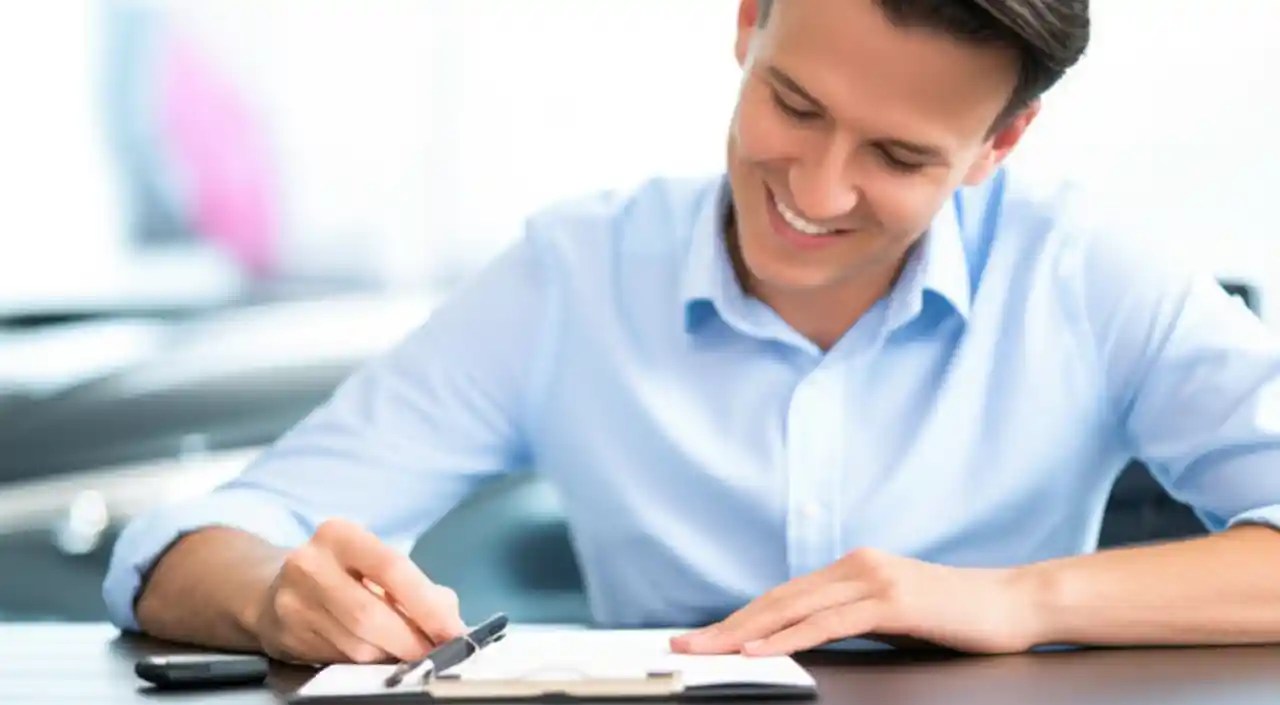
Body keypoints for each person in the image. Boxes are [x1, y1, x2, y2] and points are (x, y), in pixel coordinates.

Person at [105, 0, 1280, 665]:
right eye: (794, 107)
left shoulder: (1090, 274)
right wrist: (275, 599)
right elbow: (201, 536)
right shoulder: (573, 277)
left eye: (899, 156)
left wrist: (1019, 601)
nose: (816, 192)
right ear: (747, 23)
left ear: (996, 148)